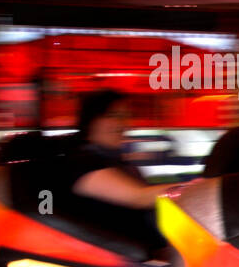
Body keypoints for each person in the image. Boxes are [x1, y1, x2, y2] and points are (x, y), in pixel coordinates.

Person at [61, 90, 169, 252]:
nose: (123, 124)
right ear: (91, 120)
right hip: (110, 260)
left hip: (140, 253)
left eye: (125, 116)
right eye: (113, 115)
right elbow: (138, 196)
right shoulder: (82, 162)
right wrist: (192, 190)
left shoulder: (114, 161)